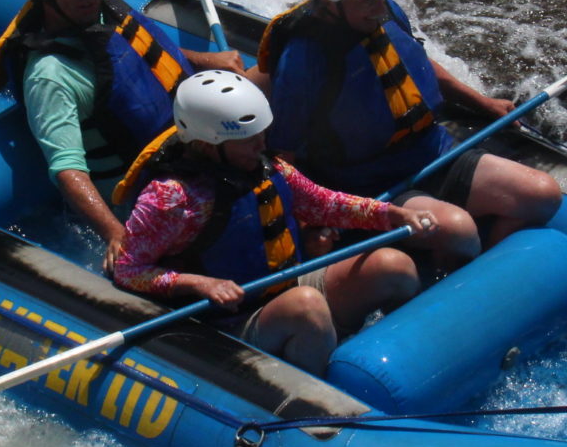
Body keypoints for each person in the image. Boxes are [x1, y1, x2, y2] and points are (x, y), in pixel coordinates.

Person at [111, 72, 444, 372]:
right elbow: (128, 270)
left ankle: (403, 369)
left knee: (393, 265)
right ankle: (326, 399)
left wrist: (393, 215)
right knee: (306, 307)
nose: (262, 145)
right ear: (205, 144)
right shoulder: (172, 198)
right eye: (248, 138)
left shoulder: (268, 168)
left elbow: (326, 204)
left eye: (262, 134)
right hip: (228, 323)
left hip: (285, 288)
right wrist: (197, 283)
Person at [256, 0, 560, 249]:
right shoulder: (303, 59)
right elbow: (284, 154)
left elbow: (416, 66)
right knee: (459, 232)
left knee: (542, 194)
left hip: (435, 152)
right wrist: (306, 222)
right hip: (371, 182)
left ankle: (494, 265)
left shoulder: (387, 12)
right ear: (325, 3)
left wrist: (483, 103)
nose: (378, 7)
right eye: (365, 1)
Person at [0, 0, 247, 263]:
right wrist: (115, 234)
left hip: (193, 152)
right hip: (151, 195)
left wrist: (207, 60)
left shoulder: (106, 16)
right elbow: (67, 169)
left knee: (261, 80)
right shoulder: (51, 76)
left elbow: (146, 52)